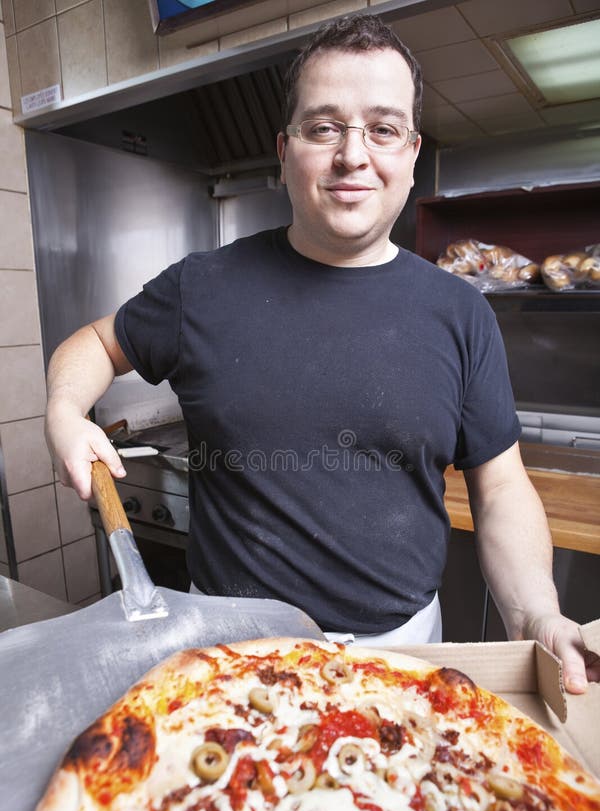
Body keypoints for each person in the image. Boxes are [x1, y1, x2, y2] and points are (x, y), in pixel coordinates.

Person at [45, 13, 598, 692]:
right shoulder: (202, 287)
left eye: (382, 128)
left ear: (411, 151)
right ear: (284, 151)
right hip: (231, 657)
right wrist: (68, 410)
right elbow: (96, 343)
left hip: (400, 657)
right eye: (324, 126)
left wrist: (537, 611)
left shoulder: (462, 312)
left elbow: (502, 484)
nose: (352, 155)